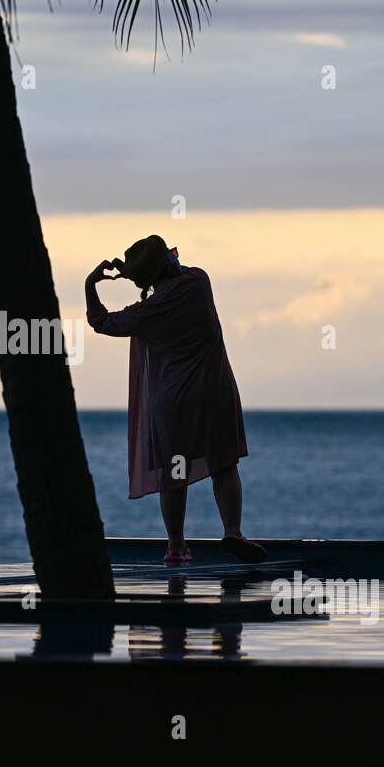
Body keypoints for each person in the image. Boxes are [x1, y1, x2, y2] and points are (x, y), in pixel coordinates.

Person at [85, 235, 267, 565]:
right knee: (224, 465)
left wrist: (91, 284)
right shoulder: (199, 283)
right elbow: (180, 269)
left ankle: (176, 546)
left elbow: (101, 322)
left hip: (173, 403)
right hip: (214, 392)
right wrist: (144, 268)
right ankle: (233, 531)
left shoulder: (146, 313)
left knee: (174, 475)